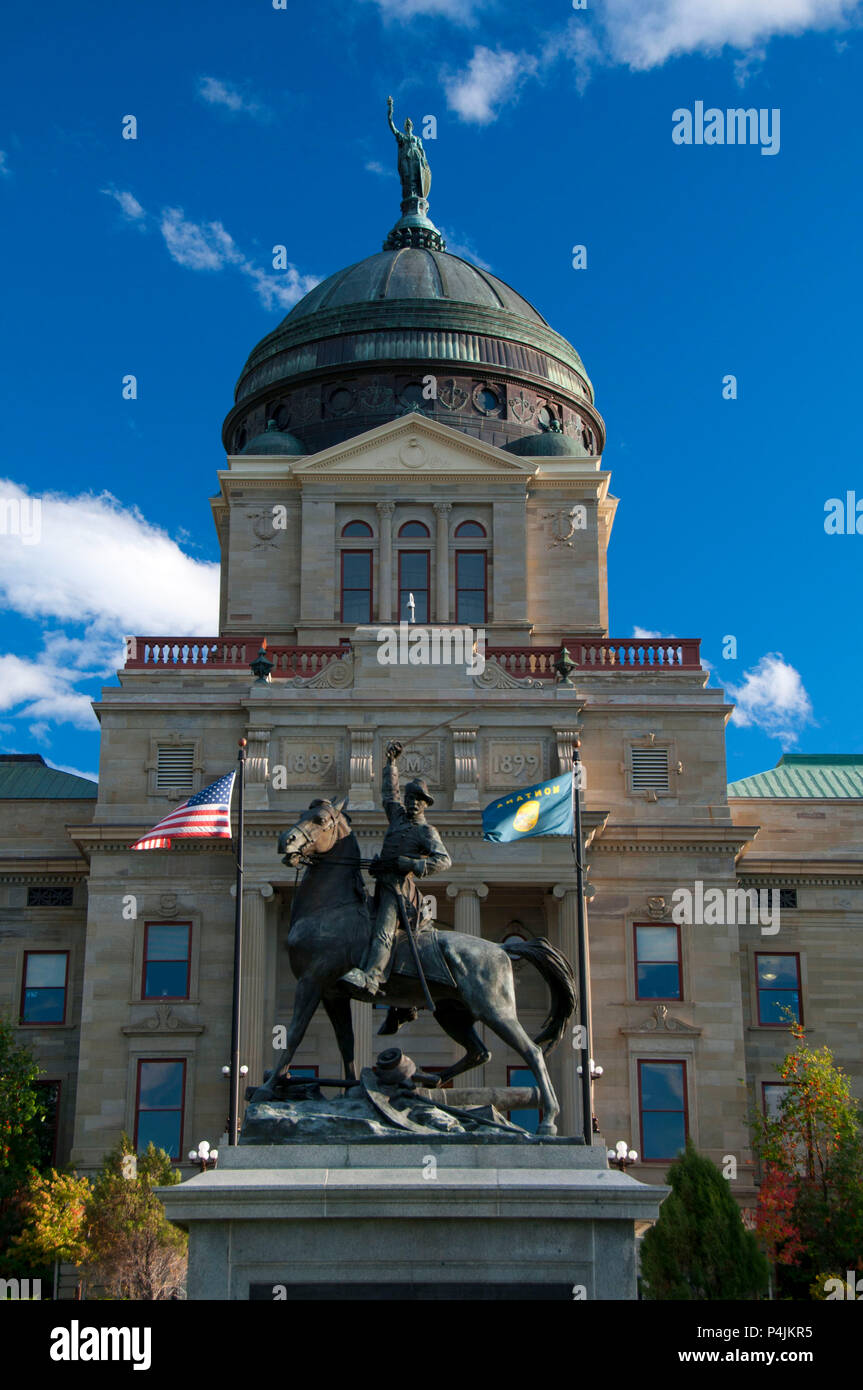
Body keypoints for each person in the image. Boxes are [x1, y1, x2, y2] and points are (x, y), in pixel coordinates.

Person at [340, 740, 451, 996]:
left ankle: (373, 977)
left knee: (383, 929)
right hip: (383, 883)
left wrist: (411, 864)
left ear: (425, 804)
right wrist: (391, 763)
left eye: (419, 800)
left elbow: (444, 860)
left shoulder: (426, 831)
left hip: (399, 890)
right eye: (411, 798)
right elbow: (390, 794)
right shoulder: (398, 817)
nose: (413, 803)